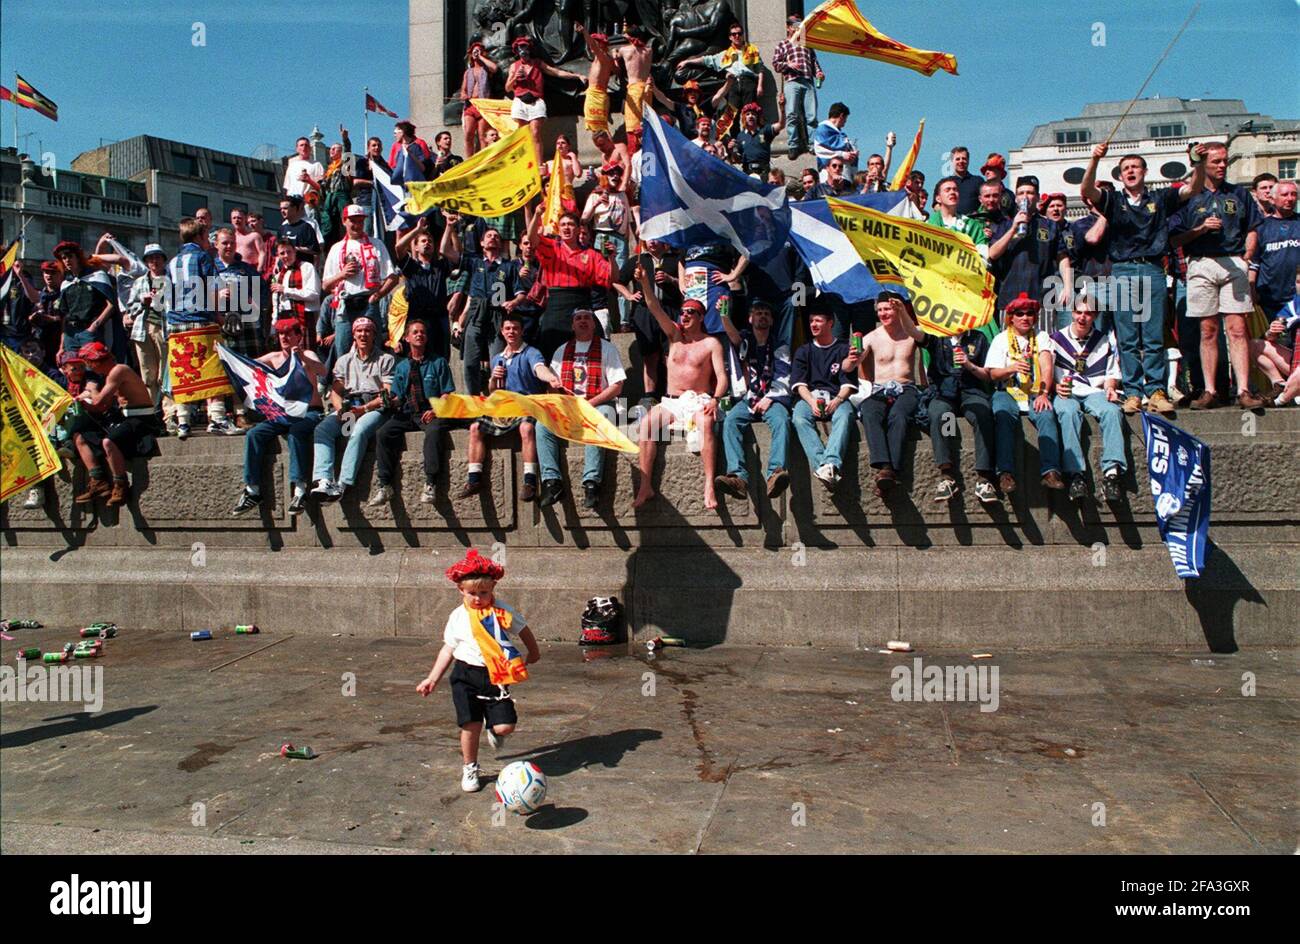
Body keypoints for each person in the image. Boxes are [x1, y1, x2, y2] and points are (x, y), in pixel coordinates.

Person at [1081, 141, 1206, 415]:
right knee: (1127, 336)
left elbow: (1193, 189)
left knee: (1152, 335)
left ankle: (1157, 390)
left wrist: (1197, 164)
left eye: (1135, 166)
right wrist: (1094, 160)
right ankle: (1133, 392)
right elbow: (1086, 190)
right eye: (1125, 168)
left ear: (1144, 171)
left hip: (1151, 268)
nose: (1130, 171)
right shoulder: (1113, 200)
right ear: (1120, 175)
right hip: (1123, 269)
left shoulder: (1160, 198)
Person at [416, 549, 540, 794]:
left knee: (506, 727)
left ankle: (494, 727)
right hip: (465, 675)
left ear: (493, 587)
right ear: (460, 590)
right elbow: (448, 649)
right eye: (471, 593)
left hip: (496, 676)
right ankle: (470, 766)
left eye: (483, 593)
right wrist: (432, 678)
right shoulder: (458, 616)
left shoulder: (502, 611)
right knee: (469, 725)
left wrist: (533, 652)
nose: (477, 598)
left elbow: (523, 629)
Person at [1169, 142, 1267, 410]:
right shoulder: (1189, 196)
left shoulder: (1238, 193)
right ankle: (1210, 390)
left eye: (1225, 161)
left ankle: (1244, 389)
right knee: (1208, 330)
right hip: (1201, 262)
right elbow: (1175, 237)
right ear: (1203, 164)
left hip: (1233, 261)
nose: (1222, 166)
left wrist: (1248, 251)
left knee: (1237, 328)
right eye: (1216, 162)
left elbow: (1254, 225)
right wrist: (1200, 230)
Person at [633, 267, 727, 510]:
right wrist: (645, 282)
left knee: (706, 423)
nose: (684, 316)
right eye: (683, 311)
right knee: (646, 425)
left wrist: (715, 399)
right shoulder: (674, 335)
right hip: (671, 401)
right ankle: (646, 486)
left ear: (701, 317)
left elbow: (722, 377)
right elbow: (654, 306)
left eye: (691, 312)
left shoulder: (711, 343)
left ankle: (709, 485)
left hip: (699, 399)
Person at [458, 309, 562, 502]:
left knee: (527, 427)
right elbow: (492, 390)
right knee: (475, 427)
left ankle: (530, 481)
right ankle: (474, 478)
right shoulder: (497, 358)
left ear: (521, 331)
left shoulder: (531, 352)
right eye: (508, 328)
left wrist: (551, 379)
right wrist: (493, 379)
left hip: (527, 404)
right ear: (502, 332)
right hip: (504, 407)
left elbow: (540, 369)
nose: (511, 332)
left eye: (515, 328)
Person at [230, 318, 327, 516]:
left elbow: (323, 371)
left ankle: (300, 489)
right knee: (254, 434)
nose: (284, 337)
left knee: (296, 433)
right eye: (281, 333)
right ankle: (252, 490)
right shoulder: (273, 357)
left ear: (298, 336)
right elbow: (245, 366)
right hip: (283, 414)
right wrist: (224, 354)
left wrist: (303, 359)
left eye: (289, 333)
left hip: (309, 412)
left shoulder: (307, 353)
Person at [536, 308, 627, 509]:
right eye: (578, 318)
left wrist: (589, 405)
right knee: (542, 424)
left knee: (598, 417)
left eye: (587, 318)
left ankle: (592, 483)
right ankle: (552, 482)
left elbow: (617, 385)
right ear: (572, 325)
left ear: (594, 324)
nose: (583, 321)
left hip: (601, 404)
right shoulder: (561, 351)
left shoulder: (607, 348)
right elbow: (552, 386)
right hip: (570, 405)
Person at [163, 218, 240, 438]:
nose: (208, 242)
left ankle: (183, 421)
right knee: (213, 368)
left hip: (176, 324)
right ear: (198, 237)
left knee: (184, 370)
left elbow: (167, 297)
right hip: (201, 320)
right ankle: (217, 418)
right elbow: (214, 289)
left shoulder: (172, 262)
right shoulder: (203, 257)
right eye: (206, 237)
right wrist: (219, 317)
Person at [367, 319, 456, 508]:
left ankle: (430, 482)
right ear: (407, 338)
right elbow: (398, 397)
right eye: (414, 332)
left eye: (422, 332)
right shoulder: (402, 367)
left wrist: (436, 410)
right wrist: (389, 400)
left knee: (433, 432)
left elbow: (448, 393)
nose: (419, 335)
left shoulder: (438, 362)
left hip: (431, 411)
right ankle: (385, 485)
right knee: (383, 433)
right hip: (408, 413)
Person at [1048, 293, 1126, 503]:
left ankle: (1112, 474)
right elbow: (1045, 373)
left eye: (1088, 313)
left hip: (1094, 392)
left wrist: (1111, 388)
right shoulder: (1056, 340)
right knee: (1067, 411)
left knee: (1112, 412)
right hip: (1066, 391)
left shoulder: (1104, 340)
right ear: (1072, 313)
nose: (1082, 317)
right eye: (1079, 312)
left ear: (1096, 315)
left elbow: (1112, 374)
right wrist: (1055, 386)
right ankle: (1076, 475)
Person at [714, 297, 792, 500]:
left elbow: (784, 375)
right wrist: (724, 315)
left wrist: (770, 398)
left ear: (772, 321)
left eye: (766, 314)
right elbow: (733, 337)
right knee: (730, 421)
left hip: (773, 398)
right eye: (758, 313)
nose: (763, 317)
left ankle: (775, 473)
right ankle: (738, 477)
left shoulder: (780, 344)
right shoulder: (746, 340)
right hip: (749, 398)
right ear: (750, 318)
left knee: (782, 421)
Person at [310, 317, 395, 501]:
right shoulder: (343, 361)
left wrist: (364, 409)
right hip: (350, 407)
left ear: (374, 335)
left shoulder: (386, 359)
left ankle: (343, 484)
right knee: (323, 429)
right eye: (359, 331)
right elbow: (336, 391)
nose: (363, 334)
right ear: (353, 335)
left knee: (357, 431)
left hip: (374, 408)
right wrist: (342, 410)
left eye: (368, 331)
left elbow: (387, 394)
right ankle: (324, 479)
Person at [986, 294, 1063, 495]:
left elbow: (1047, 365)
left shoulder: (1041, 336)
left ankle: (1051, 471)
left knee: (1046, 414)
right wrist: (1011, 368)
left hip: (1035, 391)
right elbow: (993, 374)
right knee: (1002, 414)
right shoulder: (1001, 339)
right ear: (1010, 317)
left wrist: (1045, 393)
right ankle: (1004, 473)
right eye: (1019, 313)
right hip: (1008, 390)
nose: (1025, 317)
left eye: (1030, 313)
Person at [70, 341, 162, 508]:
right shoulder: (109, 374)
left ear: (96, 362)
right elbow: (101, 407)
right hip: (124, 417)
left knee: (108, 441)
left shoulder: (118, 370)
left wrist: (91, 389)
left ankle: (121, 484)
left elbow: (98, 402)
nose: (90, 369)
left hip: (141, 419)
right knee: (80, 435)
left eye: (89, 364)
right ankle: (97, 479)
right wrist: (81, 404)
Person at [922, 324, 999, 504]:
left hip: (971, 391)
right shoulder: (936, 336)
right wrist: (902, 312)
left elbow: (987, 374)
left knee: (982, 414)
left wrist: (968, 364)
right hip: (945, 393)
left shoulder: (978, 338)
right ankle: (947, 475)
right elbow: (915, 334)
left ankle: (984, 477)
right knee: (942, 416)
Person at [857, 292, 923, 498]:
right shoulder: (872, 337)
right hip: (880, 389)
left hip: (907, 388)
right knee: (868, 412)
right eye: (880, 310)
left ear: (897, 309)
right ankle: (886, 467)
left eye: (888, 309)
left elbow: (923, 339)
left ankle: (888, 472)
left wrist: (905, 311)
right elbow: (853, 362)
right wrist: (854, 361)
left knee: (899, 416)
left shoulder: (912, 332)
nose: (884, 313)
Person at [526, 207, 612, 360]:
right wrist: (537, 213)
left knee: (592, 355)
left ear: (579, 229)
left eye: (571, 224)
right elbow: (532, 239)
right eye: (563, 224)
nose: (566, 227)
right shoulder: (552, 248)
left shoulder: (591, 254)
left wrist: (612, 258)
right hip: (555, 309)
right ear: (558, 229)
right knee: (551, 359)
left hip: (582, 307)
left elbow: (611, 277)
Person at [790, 306, 859, 491]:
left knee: (845, 416)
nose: (814, 324)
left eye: (818, 321)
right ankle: (825, 466)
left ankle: (830, 462)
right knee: (798, 417)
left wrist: (837, 400)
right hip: (810, 398)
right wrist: (811, 402)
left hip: (837, 397)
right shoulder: (804, 350)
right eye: (812, 321)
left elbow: (848, 385)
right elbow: (799, 384)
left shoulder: (844, 348)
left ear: (830, 323)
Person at [988, 175, 1072, 329]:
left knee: (1043, 346)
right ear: (1015, 198)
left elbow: (1062, 257)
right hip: (1010, 298)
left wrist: (1067, 285)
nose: (1025, 197)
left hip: (1042, 298)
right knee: (1010, 348)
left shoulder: (1050, 226)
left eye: (1030, 193)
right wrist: (1014, 228)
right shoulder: (1004, 225)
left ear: (1038, 197)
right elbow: (992, 254)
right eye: (1021, 193)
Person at [321, 204, 400, 358]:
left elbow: (393, 277)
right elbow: (325, 285)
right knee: (342, 349)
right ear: (344, 221)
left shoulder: (376, 244)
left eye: (360, 221)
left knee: (373, 350)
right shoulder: (336, 248)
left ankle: (374, 380)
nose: (357, 225)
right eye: (353, 221)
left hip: (368, 302)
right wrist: (342, 275)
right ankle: (344, 381)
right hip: (345, 303)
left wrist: (377, 295)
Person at [212, 227, 266, 431]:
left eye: (232, 242)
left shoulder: (246, 269)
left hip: (248, 324)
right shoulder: (211, 268)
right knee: (229, 370)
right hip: (223, 324)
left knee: (249, 368)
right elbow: (198, 298)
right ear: (216, 244)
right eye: (224, 242)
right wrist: (217, 296)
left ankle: (252, 409)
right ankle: (236, 413)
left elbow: (262, 294)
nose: (228, 246)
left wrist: (255, 304)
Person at [616, 239, 680, 406]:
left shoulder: (675, 258)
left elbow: (687, 283)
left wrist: (671, 279)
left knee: (670, 355)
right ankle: (649, 395)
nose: (652, 241)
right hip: (644, 312)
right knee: (649, 356)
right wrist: (629, 296)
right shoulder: (637, 260)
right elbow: (616, 280)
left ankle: (672, 393)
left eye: (656, 237)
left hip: (670, 309)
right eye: (649, 238)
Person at [505, 35, 586, 167]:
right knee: (523, 133)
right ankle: (525, 162)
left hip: (536, 101)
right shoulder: (514, 66)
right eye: (521, 47)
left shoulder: (537, 63)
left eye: (525, 47)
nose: (523, 50)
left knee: (535, 132)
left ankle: (539, 164)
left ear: (529, 49)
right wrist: (515, 77)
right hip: (520, 101)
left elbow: (556, 72)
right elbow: (507, 87)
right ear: (517, 50)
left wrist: (577, 76)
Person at [394, 215, 458, 363]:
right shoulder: (411, 267)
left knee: (441, 359)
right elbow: (399, 247)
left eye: (430, 241)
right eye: (423, 241)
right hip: (417, 318)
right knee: (417, 359)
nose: (427, 243)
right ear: (415, 247)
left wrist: (450, 227)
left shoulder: (440, 267)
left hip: (439, 318)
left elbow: (455, 251)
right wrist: (417, 230)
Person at [581, 164, 633, 330]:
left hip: (620, 238)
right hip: (602, 236)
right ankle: (604, 322)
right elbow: (584, 219)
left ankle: (624, 321)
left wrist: (628, 237)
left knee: (621, 279)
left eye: (618, 173)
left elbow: (628, 219)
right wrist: (596, 204)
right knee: (602, 279)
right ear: (605, 175)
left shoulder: (622, 195)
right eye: (611, 173)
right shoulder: (595, 195)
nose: (615, 176)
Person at [124, 244, 171, 423]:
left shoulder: (171, 279)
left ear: (163, 259)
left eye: (157, 257)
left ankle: (168, 414)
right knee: (147, 373)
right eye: (150, 258)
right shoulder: (140, 282)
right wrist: (142, 302)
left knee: (165, 373)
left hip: (164, 328)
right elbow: (130, 308)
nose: (154, 261)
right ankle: (150, 412)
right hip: (142, 329)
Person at [678, 23, 765, 115]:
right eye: (734, 34)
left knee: (750, 112)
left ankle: (750, 129)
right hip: (732, 84)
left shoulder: (752, 50)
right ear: (730, 37)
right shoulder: (725, 54)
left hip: (748, 82)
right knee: (731, 117)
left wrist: (760, 85)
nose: (737, 36)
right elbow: (706, 60)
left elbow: (760, 69)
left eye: (739, 33)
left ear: (743, 35)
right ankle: (735, 130)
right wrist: (687, 62)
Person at [772, 14, 824, 159]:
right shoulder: (783, 44)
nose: (797, 29)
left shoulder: (807, 44)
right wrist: (788, 64)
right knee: (792, 114)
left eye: (799, 26)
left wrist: (819, 73)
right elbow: (776, 64)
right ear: (788, 27)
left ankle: (813, 144)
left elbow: (814, 63)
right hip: (792, 81)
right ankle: (793, 145)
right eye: (794, 26)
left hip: (807, 81)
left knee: (811, 116)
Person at [52, 241, 115, 358]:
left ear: (78, 257)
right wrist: (61, 346)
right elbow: (64, 316)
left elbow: (111, 304)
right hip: (70, 334)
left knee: (94, 369)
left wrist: (94, 326)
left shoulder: (97, 276)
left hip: (89, 331)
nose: (67, 260)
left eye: (70, 256)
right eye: (63, 258)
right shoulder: (66, 283)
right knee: (72, 370)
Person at [269, 237, 321, 349]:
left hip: (304, 318)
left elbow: (314, 294)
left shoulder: (307, 268)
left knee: (305, 355)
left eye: (289, 251)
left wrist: (286, 290)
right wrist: (274, 323)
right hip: (284, 317)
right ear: (278, 256)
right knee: (286, 356)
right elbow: (276, 302)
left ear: (295, 251)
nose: (286, 256)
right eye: (282, 253)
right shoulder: (278, 276)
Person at [928, 176, 989, 262]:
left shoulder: (972, 226)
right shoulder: (927, 226)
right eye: (947, 190)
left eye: (955, 189)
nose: (952, 192)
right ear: (938, 198)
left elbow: (983, 258)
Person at [615, 25, 654, 152]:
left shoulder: (625, 50)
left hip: (634, 89)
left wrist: (614, 53)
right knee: (647, 123)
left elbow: (615, 55)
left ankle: (634, 153)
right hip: (648, 88)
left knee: (633, 125)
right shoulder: (649, 50)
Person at [459, 41, 500, 156]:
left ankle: (483, 159)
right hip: (470, 105)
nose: (476, 53)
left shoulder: (486, 69)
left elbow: (495, 68)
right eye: (474, 51)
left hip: (483, 105)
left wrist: (481, 57)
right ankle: (469, 160)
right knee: (468, 133)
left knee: (483, 134)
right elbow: (463, 90)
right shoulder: (468, 72)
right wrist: (463, 95)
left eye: (479, 50)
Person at [728, 100, 786, 179]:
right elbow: (738, 160)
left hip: (764, 172)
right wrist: (732, 151)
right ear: (744, 118)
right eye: (748, 114)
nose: (750, 116)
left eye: (753, 114)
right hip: (747, 172)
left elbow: (781, 125)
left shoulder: (765, 130)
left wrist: (782, 109)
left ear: (758, 117)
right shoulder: (740, 136)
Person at [813, 102, 859, 178]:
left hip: (845, 174)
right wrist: (842, 154)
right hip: (828, 174)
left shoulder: (840, 133)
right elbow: (821, 151)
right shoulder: (823, 129)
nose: (845, 122)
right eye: (845, 119)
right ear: (841, 116)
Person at [277, 194, 321, 266]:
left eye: (285, 208)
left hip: (302, 269)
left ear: (294, 208)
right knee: (256, 276)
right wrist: (277, 263)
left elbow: (315, 250)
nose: (282, 211)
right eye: (281, 209)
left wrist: (295, 249)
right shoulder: (282, 228)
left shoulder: (306, 227)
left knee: (255, 276)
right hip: (286, 270)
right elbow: (278, 250)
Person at [283, 136, 324, 200]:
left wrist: (309, 180)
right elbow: (287, 187)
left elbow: (321, 188)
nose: (304, 147)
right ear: (297, 148)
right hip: (293, 201)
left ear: (310, 148)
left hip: (308, 202)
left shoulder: (317, 165)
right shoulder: (292, 165)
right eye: (301, 145)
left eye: (306, 145)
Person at [951, 146, 984, 216]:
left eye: (964, 159)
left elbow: (985, 201)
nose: (961, 161)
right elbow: (937, 205)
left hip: (974, 223)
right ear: (952, 161)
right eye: (957, 159)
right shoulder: (945, 183)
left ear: (968, 160)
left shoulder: (978, 181)